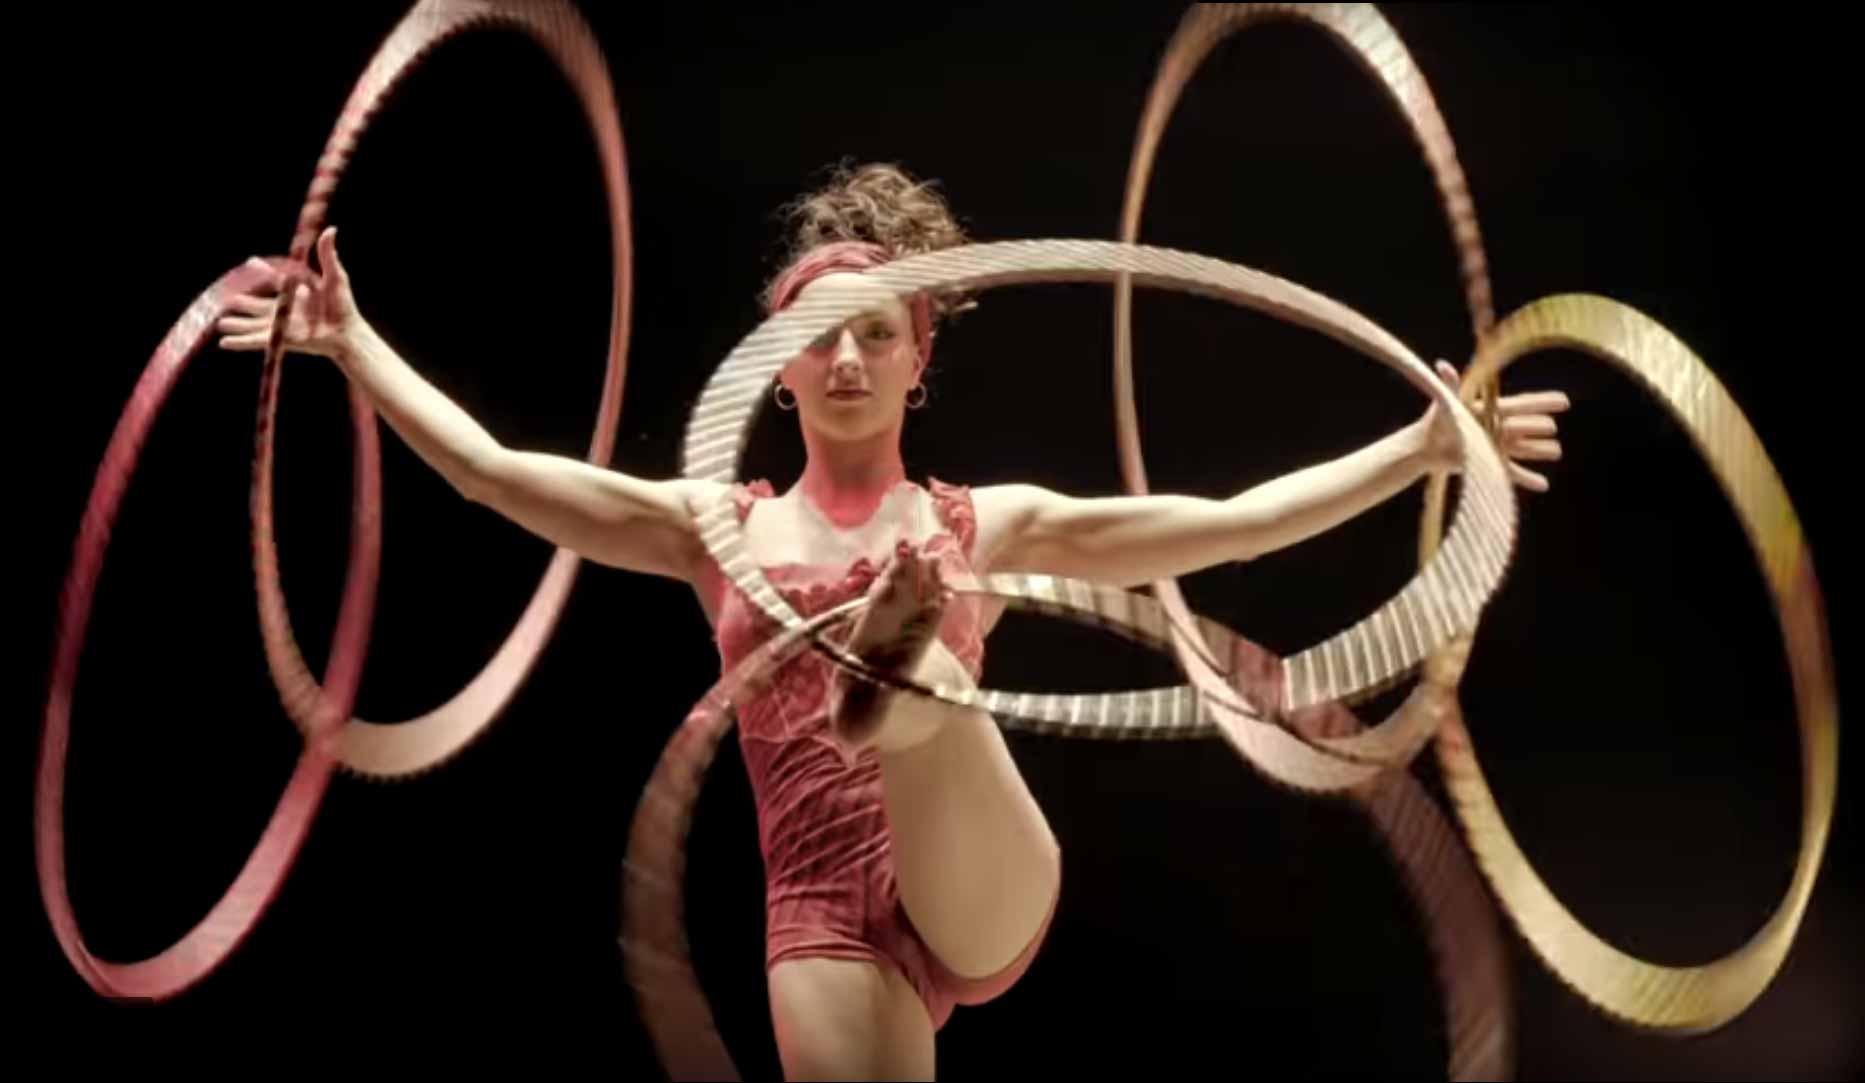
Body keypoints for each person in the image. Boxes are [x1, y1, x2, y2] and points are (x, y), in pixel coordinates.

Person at [216, 162, 1566, 1081]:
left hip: (975, 876)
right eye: (820, 337)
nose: (848, 358)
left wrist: (1418, 451)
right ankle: (894, 657)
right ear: (778, 369)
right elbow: (493, 474)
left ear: (920, 357)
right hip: (818, 912)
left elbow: (1233, 519)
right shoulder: (715, 530)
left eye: (876, 334)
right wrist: (355, 347)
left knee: (926, 663)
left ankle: (901, 663)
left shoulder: (993, 522)